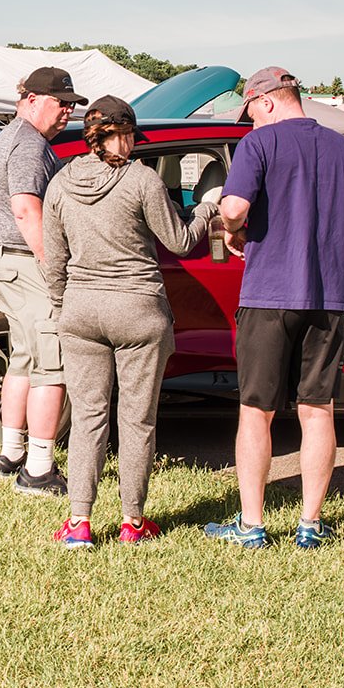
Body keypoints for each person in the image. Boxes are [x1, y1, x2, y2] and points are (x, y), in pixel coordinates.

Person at [208, 67, 344, 549]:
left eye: (250, 113)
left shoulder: (257, 146)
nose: (251, 123)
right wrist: (332, 248)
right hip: (327, 298)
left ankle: (252, 525)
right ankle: (309, 524)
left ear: (266, 101)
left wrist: (230, 227)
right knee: (319, 410)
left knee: (255, 411)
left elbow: (236, 208)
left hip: (268, 296)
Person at [43, 96, 218, 548]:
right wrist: (206, 208)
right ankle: (132, 523)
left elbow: (54, 262)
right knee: (137, 420)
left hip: (81, 310)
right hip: (138, 309)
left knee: (87, 418)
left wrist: (64, 309)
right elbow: (179, 242)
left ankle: (79, 523)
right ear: (125, 135)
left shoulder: (61, 183)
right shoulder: (141, 180)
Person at [0, 66, 85, 497]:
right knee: (53, 365)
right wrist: (54, 267)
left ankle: (10, 457)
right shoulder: (28, 144)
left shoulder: (10, 137)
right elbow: (26, 208)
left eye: (70, 105)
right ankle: (39, 470)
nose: (66, 112)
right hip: (26, 262)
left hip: (6, 261)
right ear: (31, 100)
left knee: (23, 360)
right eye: (60, 102)